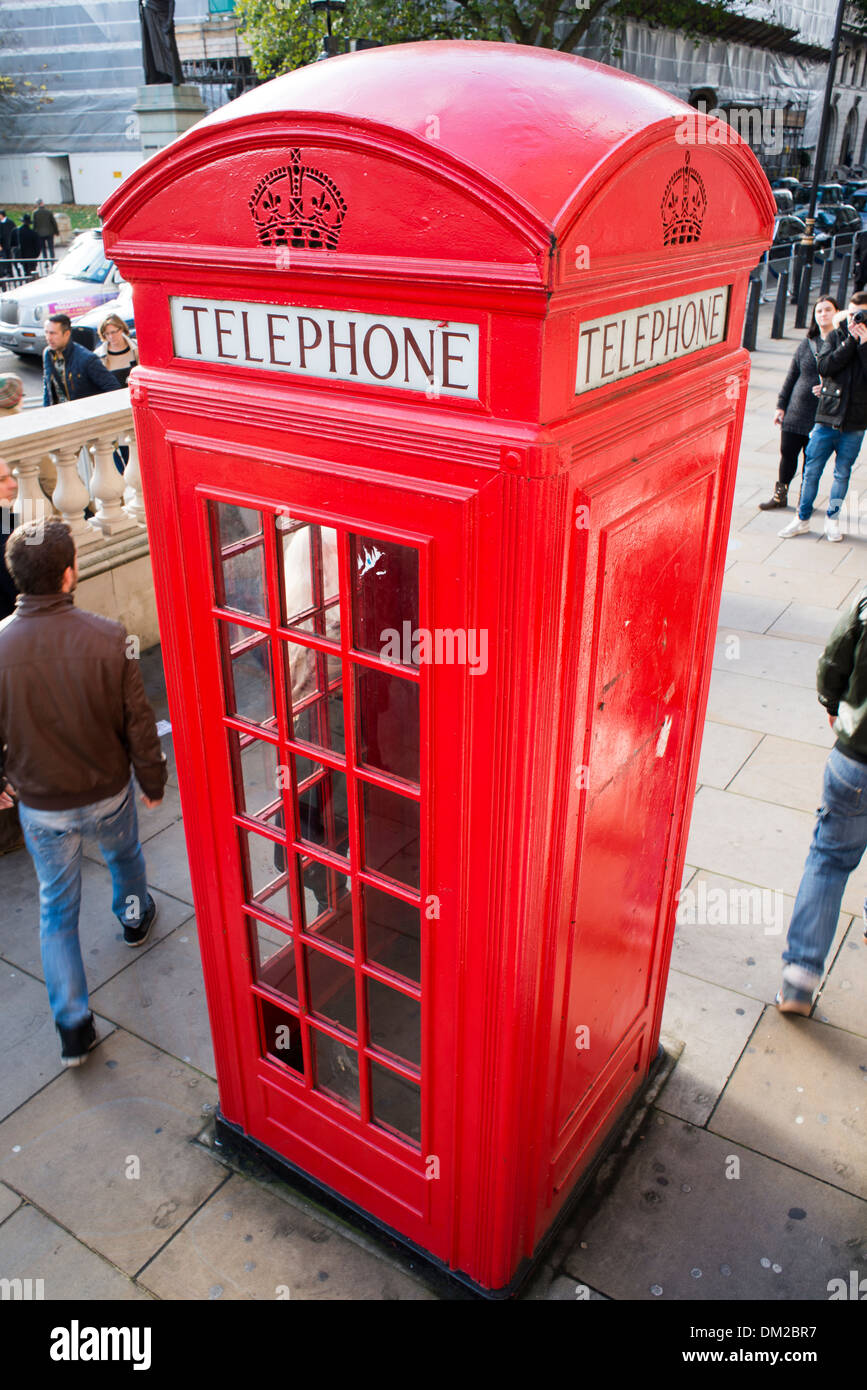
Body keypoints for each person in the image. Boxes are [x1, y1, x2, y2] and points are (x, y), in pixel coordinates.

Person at [0, 518, 167, 1065]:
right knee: (125, 857)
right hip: (107, 790)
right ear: (70, 573)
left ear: (16, 579)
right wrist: (152, 780)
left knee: (56, 912)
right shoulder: (111, 637)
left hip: (42, 805)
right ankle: (135, 918)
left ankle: (73, 1027)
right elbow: (138, 723)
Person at [777, 586, 867, 1013]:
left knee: (829, 859)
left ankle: (799, 980)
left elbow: (834, 659)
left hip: (856, 762)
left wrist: (832, 704)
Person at [778, 291, 867, 543]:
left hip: (855, 421)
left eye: (861, 314)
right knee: (811, 471)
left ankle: (833, 520)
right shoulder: (837, 335)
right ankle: (802, 518)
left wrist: (864, 346)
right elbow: (825, 367)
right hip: (827, 416)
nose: (856, 319)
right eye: (852, 313)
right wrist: (851, 341)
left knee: (842, 474)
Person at [758, 296, 838, 510]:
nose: (823, 314)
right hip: (796, 411)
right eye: (819, 311)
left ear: (837, 313)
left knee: (811, 461)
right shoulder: (807, 344)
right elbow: (792, 376)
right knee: (787, 454)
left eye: (828, 310)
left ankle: (805, 501)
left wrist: (829, 389)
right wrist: (780, 406)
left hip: (822, 414)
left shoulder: (842, 344)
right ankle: (780, 496)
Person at [43, 313, 124, 406]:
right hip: (59, 415)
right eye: (46, 332)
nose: (48, 338)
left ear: (67, 334)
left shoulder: (86, 359)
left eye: (53, 333)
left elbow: (113, 388)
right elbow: (48, 387)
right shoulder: (48, 353)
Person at [95, 313, 138, 386]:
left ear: (121, 329)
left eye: (113, 332)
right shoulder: (98, 356)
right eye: (107, 334)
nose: (111, 336)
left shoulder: (137, 347)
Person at [14, 213, 41, 280]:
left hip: (22, 255)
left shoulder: (17, 232)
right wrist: (36, 254)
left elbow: (13, 244)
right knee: (32, 272)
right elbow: (38, 246)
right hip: (32, 256)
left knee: (26, 272)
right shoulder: (33, 233)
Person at [32, 199, 59, 265]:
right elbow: (53, 222)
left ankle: (45, 262)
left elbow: (34, 224)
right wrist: (56, 231)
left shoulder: (35, 213)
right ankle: (52, 261)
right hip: (49, 232)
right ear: (42, 203)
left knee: (43, 248)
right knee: (51, 247)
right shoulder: (48, 212)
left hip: (40, 233)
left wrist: (34, 233)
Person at [0, 210, 17, 289]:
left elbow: (15, 231)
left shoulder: (10, 222)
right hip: (2, 245)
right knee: (4, 259)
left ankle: (11, 273)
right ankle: (5, 273)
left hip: (9, 244)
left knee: (10, 259)